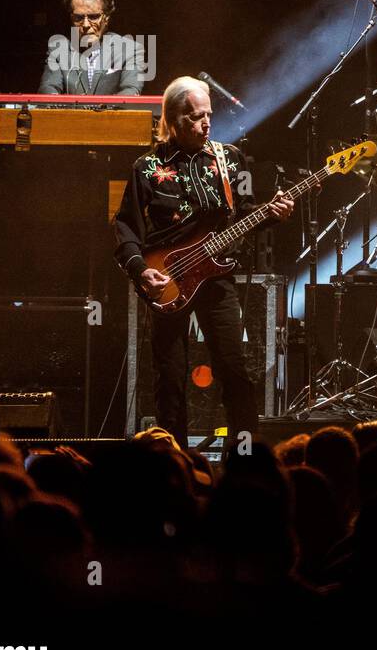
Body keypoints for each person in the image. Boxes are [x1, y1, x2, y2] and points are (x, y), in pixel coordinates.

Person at [113, 76, 295, 446]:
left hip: (215, 279)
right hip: (168, 279)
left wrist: (273, 212)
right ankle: (172, 460)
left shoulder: (229, 159)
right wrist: (140, 269)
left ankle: (245, 458)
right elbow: (126, 227)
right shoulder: (147, 167)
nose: (206, 123)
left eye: (209, 115)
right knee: (169, 377)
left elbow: (245, 213)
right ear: (174, 120)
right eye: (196, 117)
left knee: (234, 369)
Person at [38, 0, 146, 95]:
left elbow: (131, 91)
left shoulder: (130, 49)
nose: (85, 24)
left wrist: (99, 112)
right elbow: (48, 89)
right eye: (78, 18)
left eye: (93, 17)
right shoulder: (59, 49)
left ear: (106, 18)